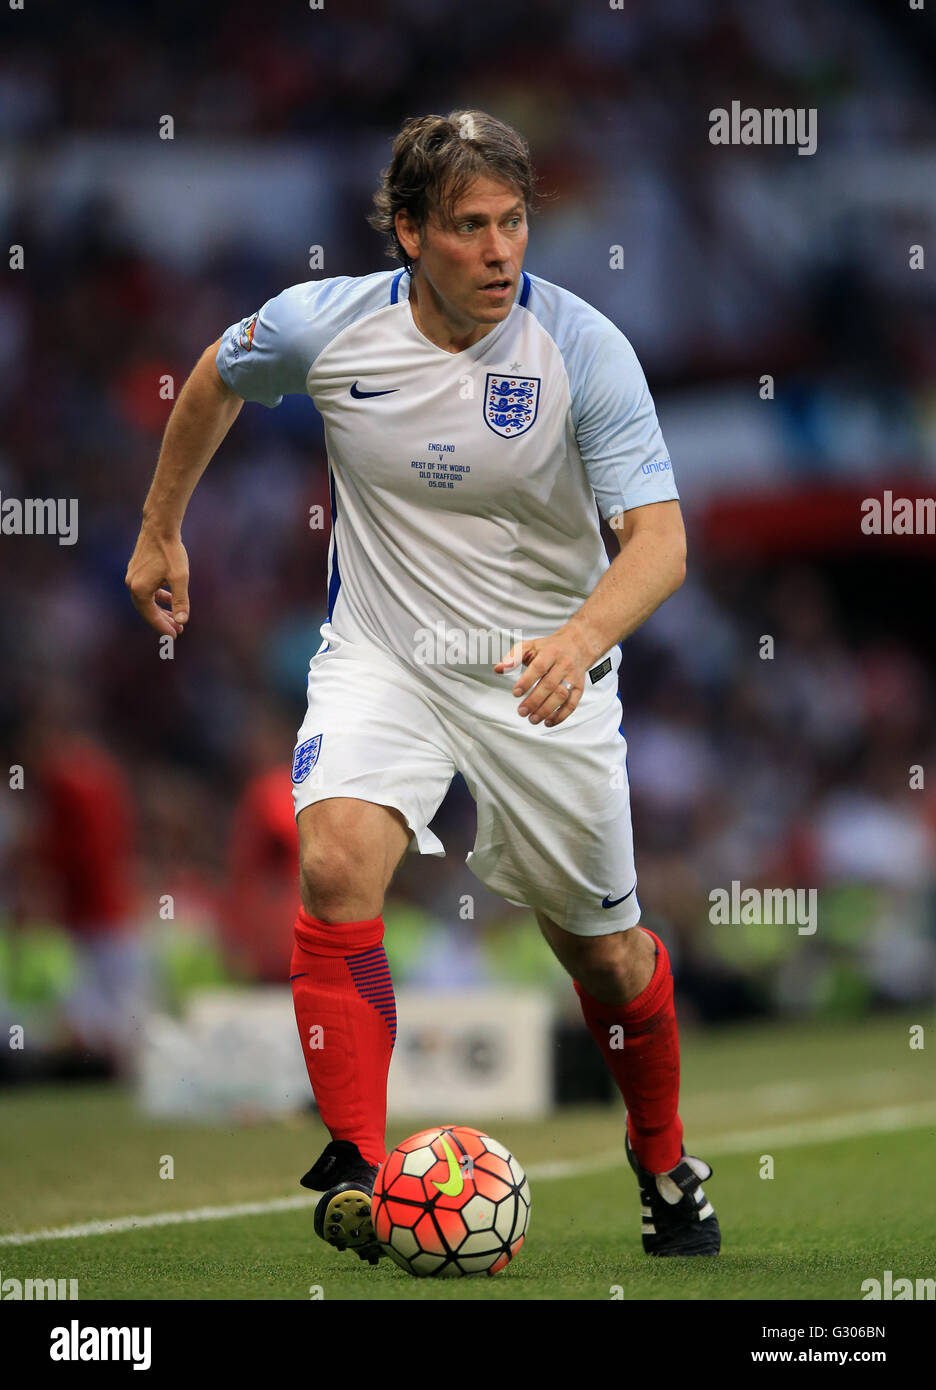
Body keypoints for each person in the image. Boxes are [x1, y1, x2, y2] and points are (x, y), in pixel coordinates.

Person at [126, 109, 719, 1261]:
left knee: (605, 952)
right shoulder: (327, 324)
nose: (501, 251)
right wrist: (161, 532)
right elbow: (214, 373)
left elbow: (660, 542)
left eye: (513, 223)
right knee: (338, 855)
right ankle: (353, 1160)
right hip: (386, 653)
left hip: (542, 669)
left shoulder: (583, 348)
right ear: (408, 232)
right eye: (468, 228)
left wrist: (577, 635)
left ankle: (663, 1160)